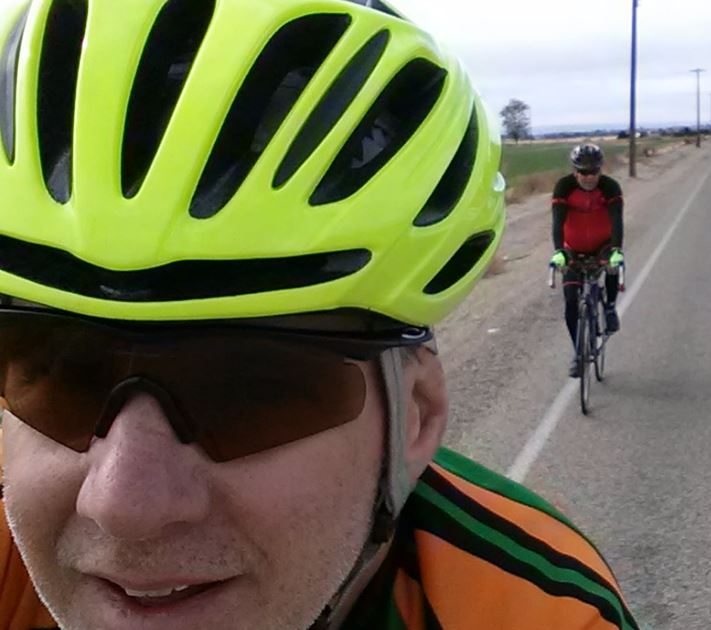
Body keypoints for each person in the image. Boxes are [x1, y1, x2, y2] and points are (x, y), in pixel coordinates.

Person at [0, 1, 640, 629]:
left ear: (414, 419)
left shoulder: (540, 611)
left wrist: (605, 258)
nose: (123, 505)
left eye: (249, 392)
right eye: (60, 380)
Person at [549, 144, 625, 378]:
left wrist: (616, 250)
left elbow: (617, 221)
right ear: (575, 172)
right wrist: (559, 251)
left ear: (601, 170)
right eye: (583, 172)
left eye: (594, 172)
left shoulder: (610, 187)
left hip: (602, 245)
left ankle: (610, 307)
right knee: (571, 301)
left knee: (613, 266)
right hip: (573, 248)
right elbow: (557, 223)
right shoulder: (564, 187)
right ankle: (579, 353)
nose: (589, 177)